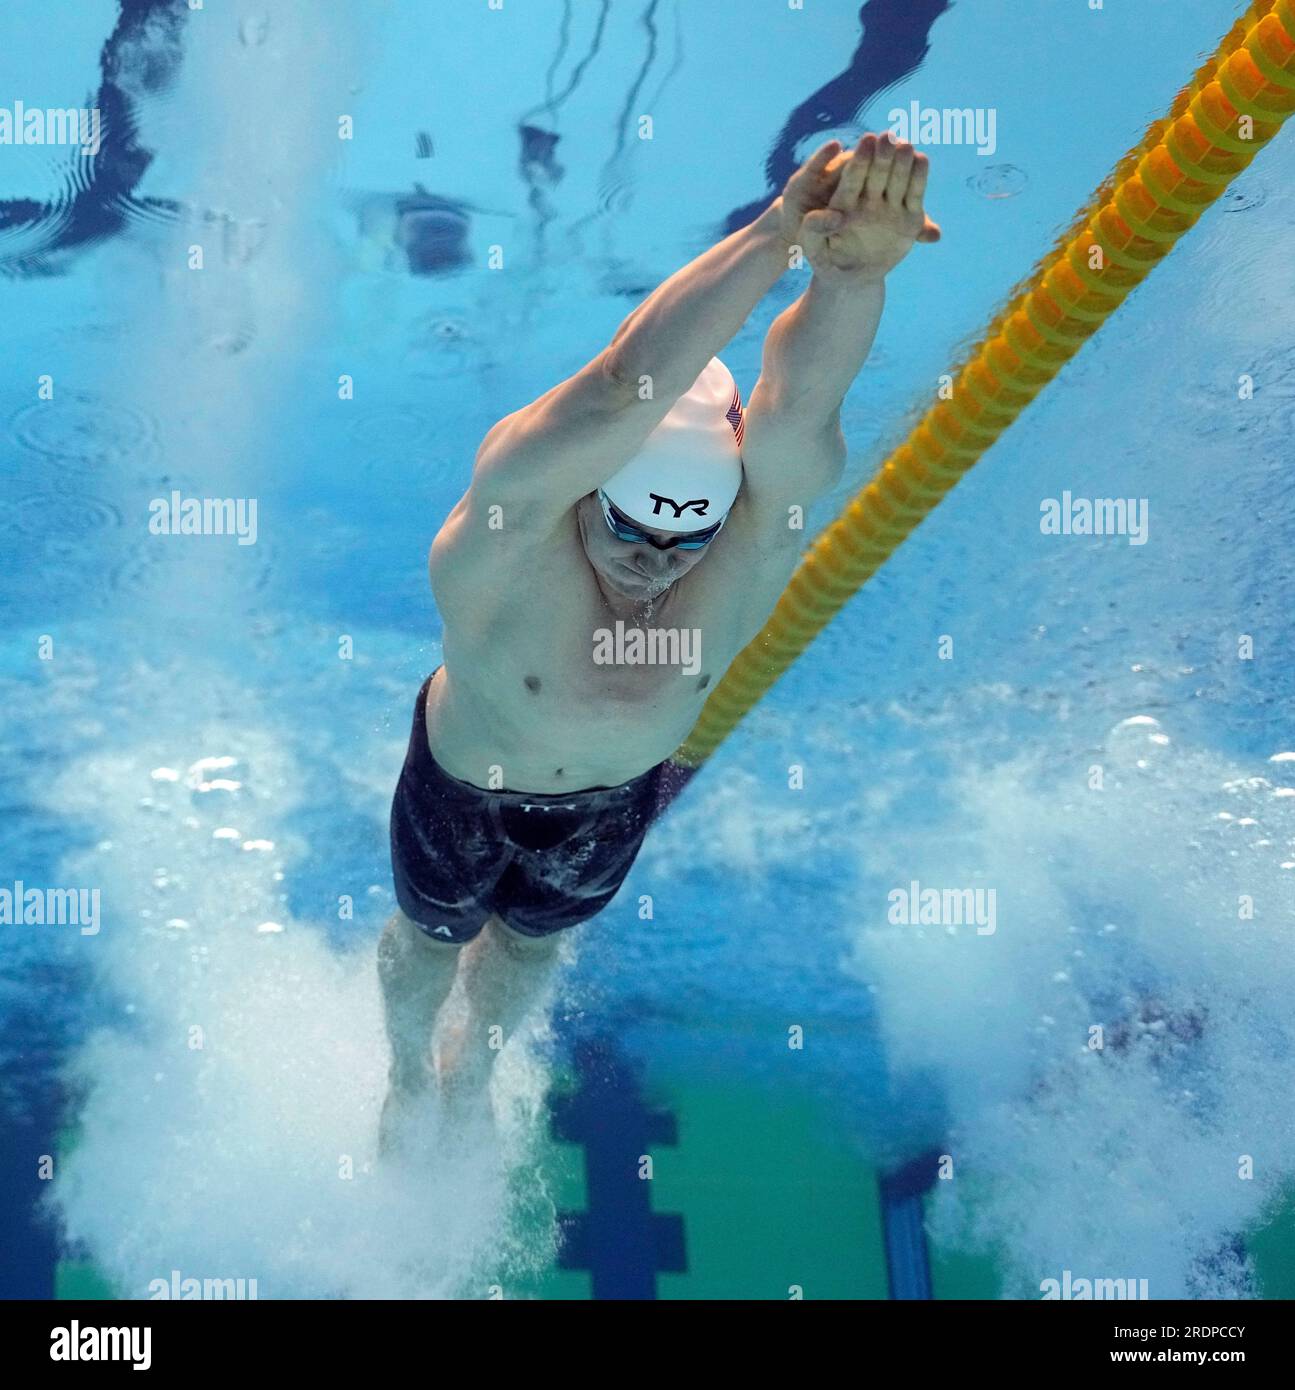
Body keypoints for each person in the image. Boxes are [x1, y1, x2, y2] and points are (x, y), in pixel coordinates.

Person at [380, 133, 940, 1144]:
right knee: (430, 943)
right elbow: (615, 390)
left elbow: (801, 424)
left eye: (686, 538)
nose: (653, 562)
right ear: (584, 491)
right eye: (629, 530)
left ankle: (472, 1073)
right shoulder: (506, 535)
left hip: (609, 807)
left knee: (527, 950)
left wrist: (852, 279)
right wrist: (775, 235)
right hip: (462, 789)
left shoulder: (739, 551)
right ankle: (408, 1074)